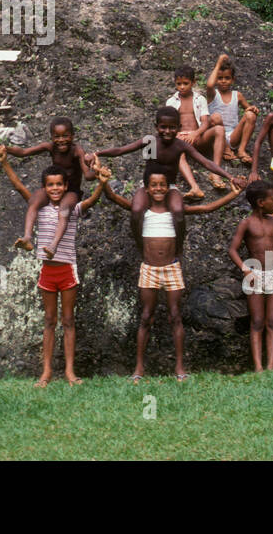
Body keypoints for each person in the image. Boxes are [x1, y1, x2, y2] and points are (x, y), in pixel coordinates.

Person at [103, 163, 240, 381]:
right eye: (154, 185)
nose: (158, 189)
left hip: (172, 268)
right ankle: (139, 368)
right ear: (146, 189)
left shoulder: (174, 211)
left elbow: (206, 208)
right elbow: (115, 199)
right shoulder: (144, 212)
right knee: (146, 316)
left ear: (169, 188)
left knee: (175, 315)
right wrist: (104, 184)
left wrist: (233, 194)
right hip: (149, 268)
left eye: (162, 185)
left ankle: (179, 368)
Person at [92, 106, 245, 248]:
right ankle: (140, 245)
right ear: (156, 127)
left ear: (179, 128)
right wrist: (97, 154)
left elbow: (206, 162)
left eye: (172, 127)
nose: (167, 131)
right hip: (148, 187)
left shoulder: (180, 146)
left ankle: (178, 248)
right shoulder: (151, 142)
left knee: (178, 212)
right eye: (163, 127)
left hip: (169, 187)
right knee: (137, 210)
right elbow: (121, 150)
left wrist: (230, 177)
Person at [26, 163, 109, 386]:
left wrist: (101, 184)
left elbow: (90, 201)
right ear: (44, 187)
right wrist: (4, 162)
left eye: (59, 185)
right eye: (50, 185)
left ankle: (70, 372)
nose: (55, 189)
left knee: (69, 320)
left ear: (65, 186)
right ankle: (46, 372)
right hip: (47, 272)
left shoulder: (71, 208)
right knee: (49, 320)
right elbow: (18, 186)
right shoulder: (39, 207)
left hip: (67, 270)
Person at [0, 117, 96, 255]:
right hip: (53, 188)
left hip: (71, 191)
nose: (61, 140)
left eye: (65, 136)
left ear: (72, 136)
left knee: (64, 210)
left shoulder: (77, 151)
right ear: (51, 137)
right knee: (34, 201)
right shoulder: (50, 147)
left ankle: (53, 245)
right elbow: (23, 153)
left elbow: (88, 176)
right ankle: (28, 237)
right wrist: (7, 149)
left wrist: (94, 166)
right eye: (57, 136)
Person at [228, 181, 273, 371]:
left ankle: (270, 366)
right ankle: (258, 367)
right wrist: (245, 269)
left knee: (272, 321)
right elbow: (232, 250)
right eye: (272, 198)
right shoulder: (246, 224)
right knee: (256, 322)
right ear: (261, 202)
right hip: (254, 274)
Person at [167, 66, 218, 199]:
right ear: (175, 83)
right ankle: (195, 188)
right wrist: (176, 135)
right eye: (179, 84)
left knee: (219, 129)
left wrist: (196, 133)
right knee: (178, 154)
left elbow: (205, 122)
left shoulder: (199, 99)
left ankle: (216, 173)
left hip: (198, 137)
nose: (182, 87)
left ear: (193, 83)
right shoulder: (171, 102)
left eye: (186, 83)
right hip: (182, 139)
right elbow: (169, 125)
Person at [203, 53, 259, 164]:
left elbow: (249, 111)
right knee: (216, 117)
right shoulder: (213, 94)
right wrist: (218, 63)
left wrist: (252, 109)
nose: (223, 81)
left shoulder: (237, 95)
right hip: (217, 136)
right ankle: (225, 149)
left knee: (250, 115)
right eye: (220, 78)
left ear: (233, 80)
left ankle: (241, 150)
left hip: (233, 136)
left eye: (227, 78)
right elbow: (209, 85)